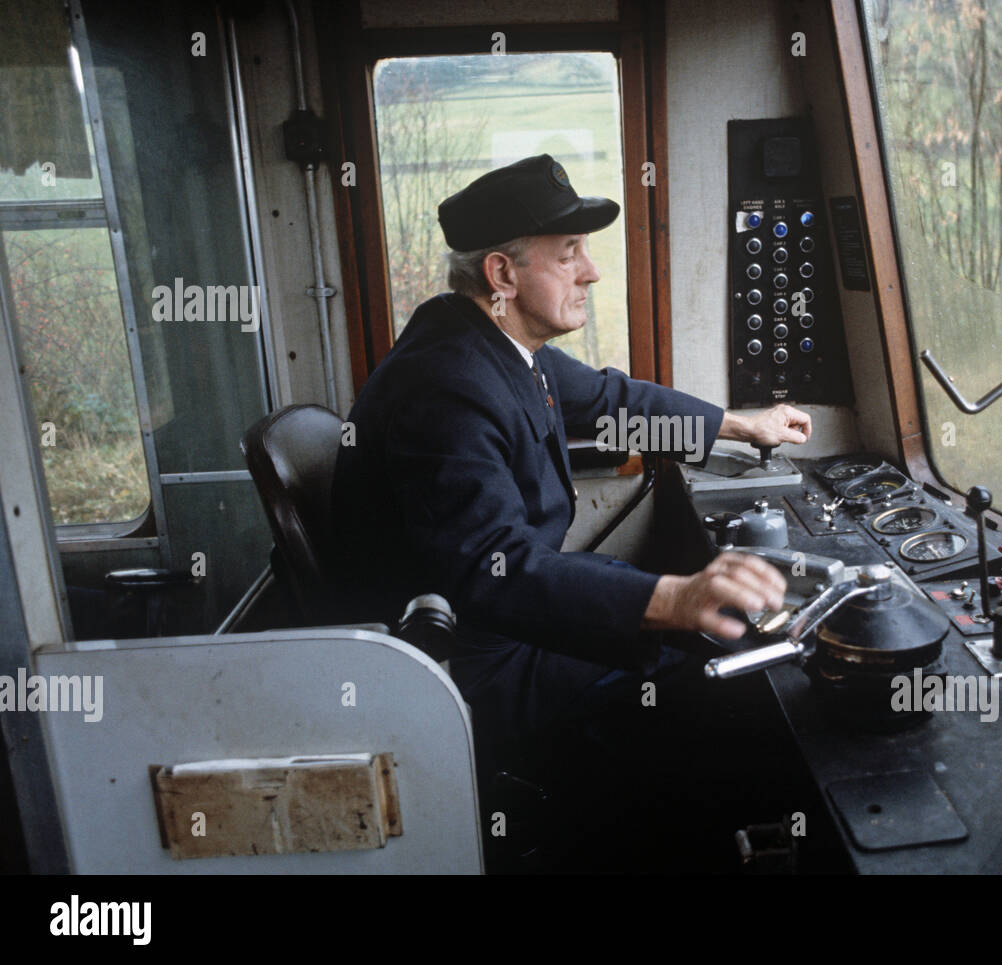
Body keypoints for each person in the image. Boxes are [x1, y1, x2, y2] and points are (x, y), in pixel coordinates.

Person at [332, 153, 812, 768]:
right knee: (719, 678)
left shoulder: (494, 340)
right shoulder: (444, 388)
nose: (592, 273)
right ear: (502, 273)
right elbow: (494, 569)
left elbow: (615, 401)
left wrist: (741, 424)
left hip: (505, 626)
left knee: (702, 643)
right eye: (568, 254)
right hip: (473, 666)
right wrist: (673, 598)